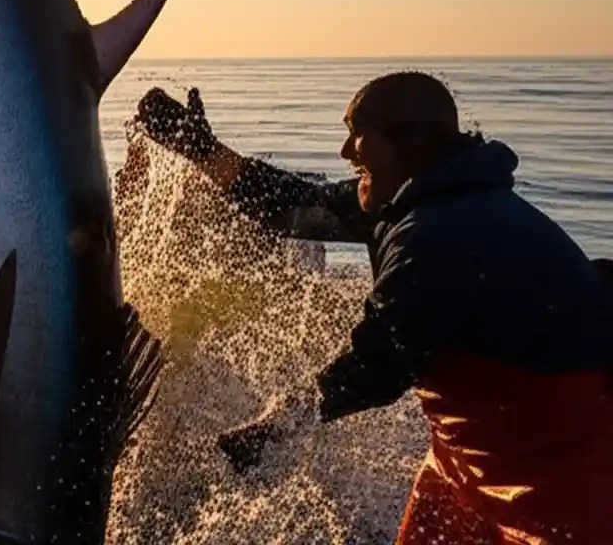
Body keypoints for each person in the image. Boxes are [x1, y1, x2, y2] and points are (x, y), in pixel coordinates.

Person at [134, 74, 613, 543]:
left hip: (558, 470)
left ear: (413, 143)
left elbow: (378, 366)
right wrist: (200, 150)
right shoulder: (408, 201)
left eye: (357, 138)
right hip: (461, 458)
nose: (345, 153)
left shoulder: (437, 235)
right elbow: (295, 207)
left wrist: (275, 427)